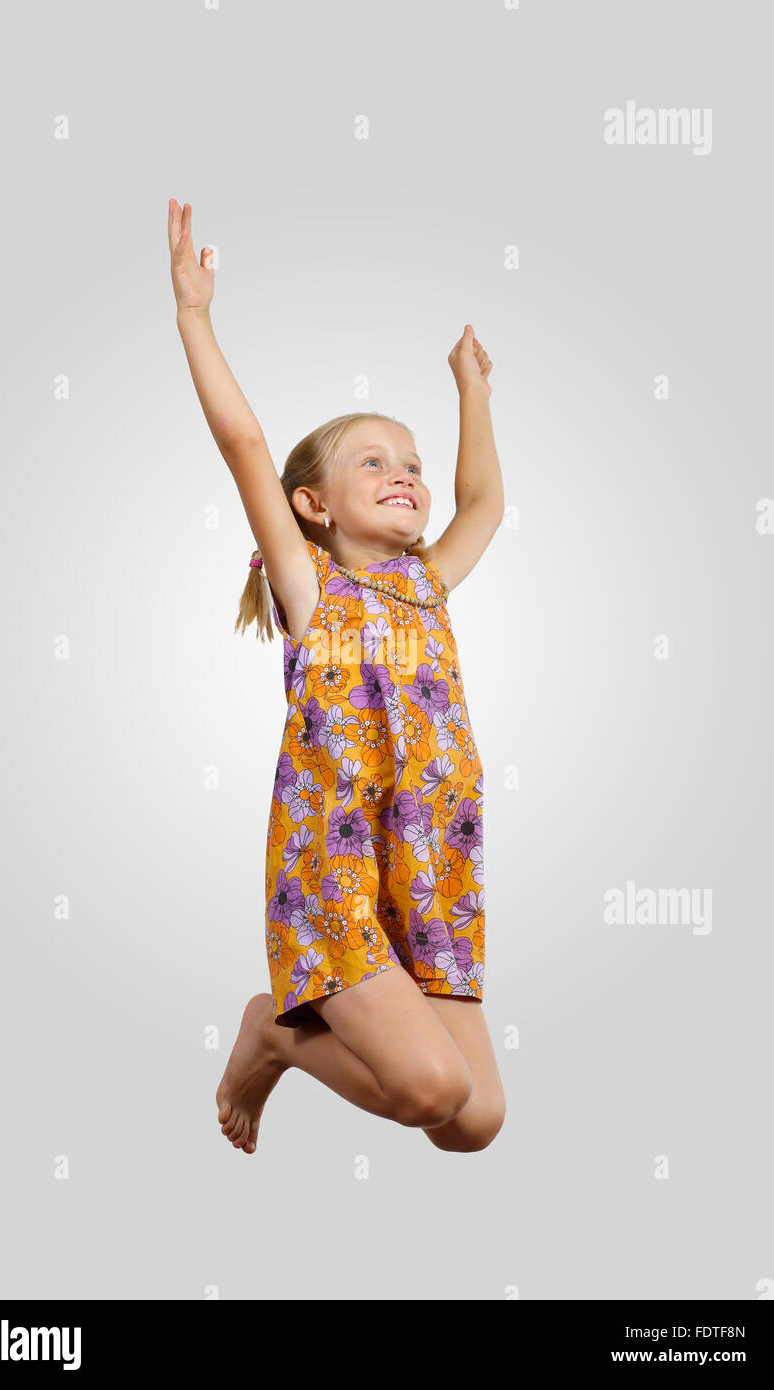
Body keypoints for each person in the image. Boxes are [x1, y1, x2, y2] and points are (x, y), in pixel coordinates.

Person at [169, 198, 506, 1155]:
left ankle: (297, 1030)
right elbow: (244, 444)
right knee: (431, 1086)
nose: (405, 474)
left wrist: (470, 389)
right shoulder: (312, 589)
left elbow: (484, 501)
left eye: (412, 464)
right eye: (374, 462)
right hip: (338, 872)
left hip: (432, 871)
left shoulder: (427, 585)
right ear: (312, 505)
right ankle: (275, 1033)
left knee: (473, 1123)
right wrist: (194, 315)